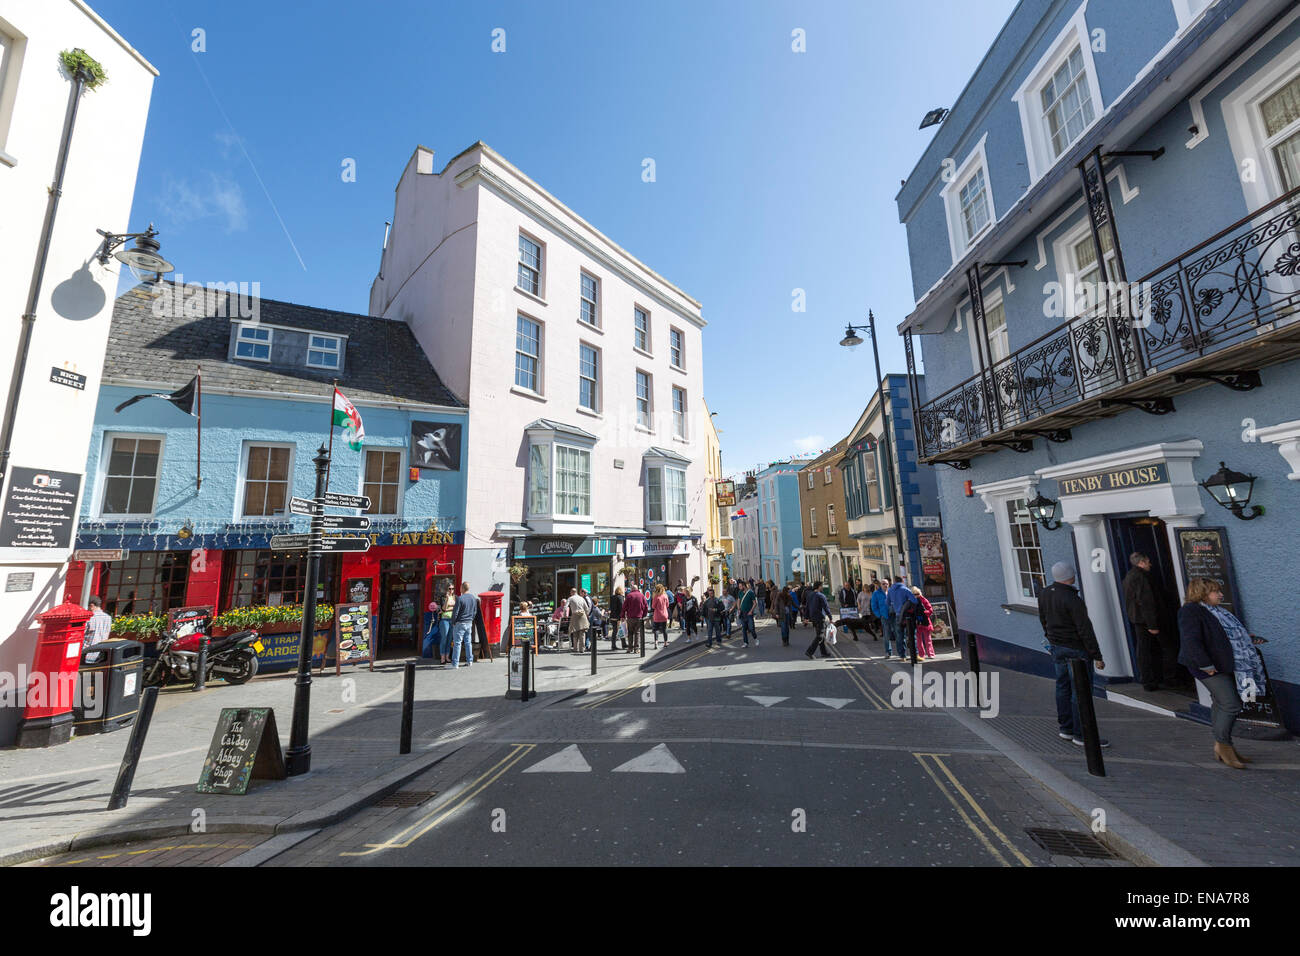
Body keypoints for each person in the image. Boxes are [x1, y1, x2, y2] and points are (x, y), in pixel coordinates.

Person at [1178, 578, 1268, 769]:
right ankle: (1224, 745)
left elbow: (1221, 635)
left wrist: (1246, 639)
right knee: (1231, 704)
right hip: (1206, 665)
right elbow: (1191, 641)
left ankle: (1224, 746)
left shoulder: (1218, 612)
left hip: (1222, 663)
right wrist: (1206, 665)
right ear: (1202, 593)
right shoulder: (1190, 611)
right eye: (1215, 591)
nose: (1220, 595)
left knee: (1220, 702)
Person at [1038, 562, 1108, 747]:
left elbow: (1043, 619)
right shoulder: (1072, 599)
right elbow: (1085, 629)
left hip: (1057, 647)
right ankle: (1082, 734)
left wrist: (1051, 638)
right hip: (1076, 650)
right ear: (1071, 576)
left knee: (1062, 687)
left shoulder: (1045, 593)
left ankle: (1066, 728)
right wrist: (1097, 655)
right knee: (1080, 691)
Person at [1123, 552, 1181, 691]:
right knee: (1166, 648)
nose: (1150, 564)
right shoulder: (1140, 577)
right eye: (1148, 561)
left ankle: (1150, 680)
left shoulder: (1130, 576)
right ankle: (1168, 679)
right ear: (1141, 563)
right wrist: (1152, 625)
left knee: (1144, 650)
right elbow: (1146, 601)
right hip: (1148, 621)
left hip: (1139, 619)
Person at [885, 576, 916, 659]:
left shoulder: (890, 590)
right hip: (907, 616)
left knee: (899, 636)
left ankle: (902, 655)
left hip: (898, 616)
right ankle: (914, 654)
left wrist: (895, 604)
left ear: (894, 581)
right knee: (911, 634)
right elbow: (914, 601)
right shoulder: (905, 589)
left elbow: (887, 603)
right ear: (902, 581)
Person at [449, 583, 478, 668]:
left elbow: (455, 612)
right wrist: (471, 619)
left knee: (457, 643)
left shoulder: (460, 598)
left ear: (462, 588)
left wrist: (453, 622)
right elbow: (475, 611)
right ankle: (469, 661)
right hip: (469, 623)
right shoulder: (473, 598)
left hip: (460, 623)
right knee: (468, 642)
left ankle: (455, 664)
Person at [804, 580, 833, 659]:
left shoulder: (810, 595)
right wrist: (830, 617)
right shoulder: (821, 595)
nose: (822, 587)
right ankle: (809, 651)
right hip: (820, 617)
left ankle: (824, 652)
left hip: (813, 617)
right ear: (819, 586)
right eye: (822, 586)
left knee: (820, 635)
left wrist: (806, 617)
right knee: (820, 636)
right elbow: (826, 607)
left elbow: (807, 607)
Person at [911, 586, 936, 659]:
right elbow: (910, 611)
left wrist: (923, 613)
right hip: (917, 622)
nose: (917, 595)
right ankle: (921, 654)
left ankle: (930, 653)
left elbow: (930, 610)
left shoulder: (924, 600)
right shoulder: (911, 601)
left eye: (917, 593)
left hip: (925, 622)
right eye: (914, 594)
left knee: (927, 639)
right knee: (919, 640)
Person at [623, 582, 647, 652]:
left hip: (630, 617)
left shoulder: (629, 596)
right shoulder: (641, 595)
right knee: (637, 633)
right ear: (637, 589)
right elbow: (646, 606)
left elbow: (624, 607)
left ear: (632, 589)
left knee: (630, 633)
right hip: (639, 617)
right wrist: (644, 615)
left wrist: (622, 615)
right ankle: (636, 649)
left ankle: (630, 648)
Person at [567, 588, 590, 653]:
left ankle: (575, 648)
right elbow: (586, 608)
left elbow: (566, 607)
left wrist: (564, 615)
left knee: (575, 632)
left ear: (571, 592)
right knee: (582, 633)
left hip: (575, 615)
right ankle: (582, 649)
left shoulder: (570, 598)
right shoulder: (581, 598)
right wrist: (587, 615)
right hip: (582, 615)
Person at [737, 580, 758, 646]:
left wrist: (751, 611)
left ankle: (755, 638)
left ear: (744, 586)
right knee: (744, 628)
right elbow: (738, 601)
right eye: (739, 586)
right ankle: (745, 642)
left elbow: (755, 603)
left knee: (751, 628)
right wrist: (739, 609)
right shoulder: (740, 592)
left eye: (740, 586)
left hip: (749, 613)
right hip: (742, 613)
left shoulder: (750, 593)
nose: (739, 587)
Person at [438, 586, 456, 664]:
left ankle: (447, 657)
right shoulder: (443, 597)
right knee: (444, 639)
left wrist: (447, 608)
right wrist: (448, 600)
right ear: (446, 589)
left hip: (452, 620)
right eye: (449, 588)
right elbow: (444, 608)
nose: (451, 590)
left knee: (449, 639)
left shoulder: (455, 597)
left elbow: (455, 608)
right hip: (444, 619)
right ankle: (442, 658)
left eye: (452, 589)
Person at [871, 580, 890, 649]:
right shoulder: (876, 593)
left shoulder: (891, 592)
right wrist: (879, 615)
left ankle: (901, 653)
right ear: (881, 585)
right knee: (886, 634)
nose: (885, 585)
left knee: (898, 634)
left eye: (887, 584)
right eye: (883, 584)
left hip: (894, 615)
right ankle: (888, 651)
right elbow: (874, 606)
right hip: (884, 616)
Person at [651, 584, 670, 648]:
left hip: (657, 615)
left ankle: (656, 642)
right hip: (664, 614)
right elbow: (667, 605)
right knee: (664, 629)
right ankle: (665, 643)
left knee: (656, 629)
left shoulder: (656, 597)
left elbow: (653, 606)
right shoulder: (665, 596)